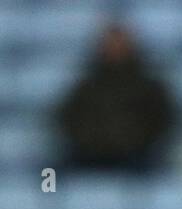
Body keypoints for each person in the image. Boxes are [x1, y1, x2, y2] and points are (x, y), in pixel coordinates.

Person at [56, 23, 174, 170]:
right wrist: (94, 143)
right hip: (90, 155)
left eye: (119, 43)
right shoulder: (87, 86)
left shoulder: (149, 86)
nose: (115, 48)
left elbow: (162, 121)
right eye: (110, 44)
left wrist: (132, 142)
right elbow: (69, 120)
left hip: (137, 156)